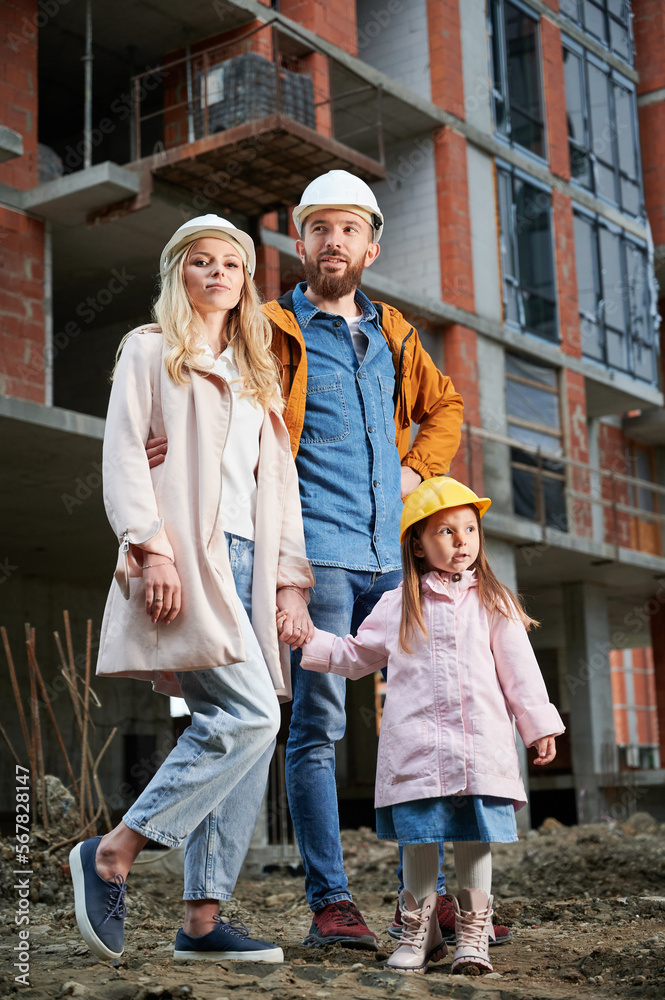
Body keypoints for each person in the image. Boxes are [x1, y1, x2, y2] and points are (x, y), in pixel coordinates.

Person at [147, 170, 465, 948]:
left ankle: (423, 896)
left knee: (417, 724)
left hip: (391, 561)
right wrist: (163, 437)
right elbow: (198, 377)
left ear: (371, 244)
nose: (333, 241)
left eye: (348, 228)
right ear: (300, 241)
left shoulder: (393, 332)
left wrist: (420, 470)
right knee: (314, 727)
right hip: (309, 556)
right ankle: (331, 904)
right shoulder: (265, 326)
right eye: (319, 227)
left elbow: (445, 404)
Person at [69, 216, 315, 965]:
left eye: (232, 264)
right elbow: (122, 456)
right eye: (202, 262)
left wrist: (288, 583)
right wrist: (152, 551)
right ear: (180, 273)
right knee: (249, 720)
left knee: (238, 727)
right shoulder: (152, 351)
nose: (217, 273)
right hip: (190, 557)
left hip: (249, 559)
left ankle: (203, 921)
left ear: (245, 282)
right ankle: (114, 851)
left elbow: (279, 488)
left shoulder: (256, 374)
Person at [294, 476, 565, 974]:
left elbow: (519, 671)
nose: (462, 541)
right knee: (418, 836)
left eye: (469, 529)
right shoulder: (399, 602)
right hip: (415, 747)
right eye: (445, 531)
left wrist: (537, 725)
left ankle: (472, 934)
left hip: (479, 748)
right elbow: (356, 656)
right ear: (417, 544)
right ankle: (418, 931)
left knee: (471, 836)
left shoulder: (493, 601)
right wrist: (307, 637)